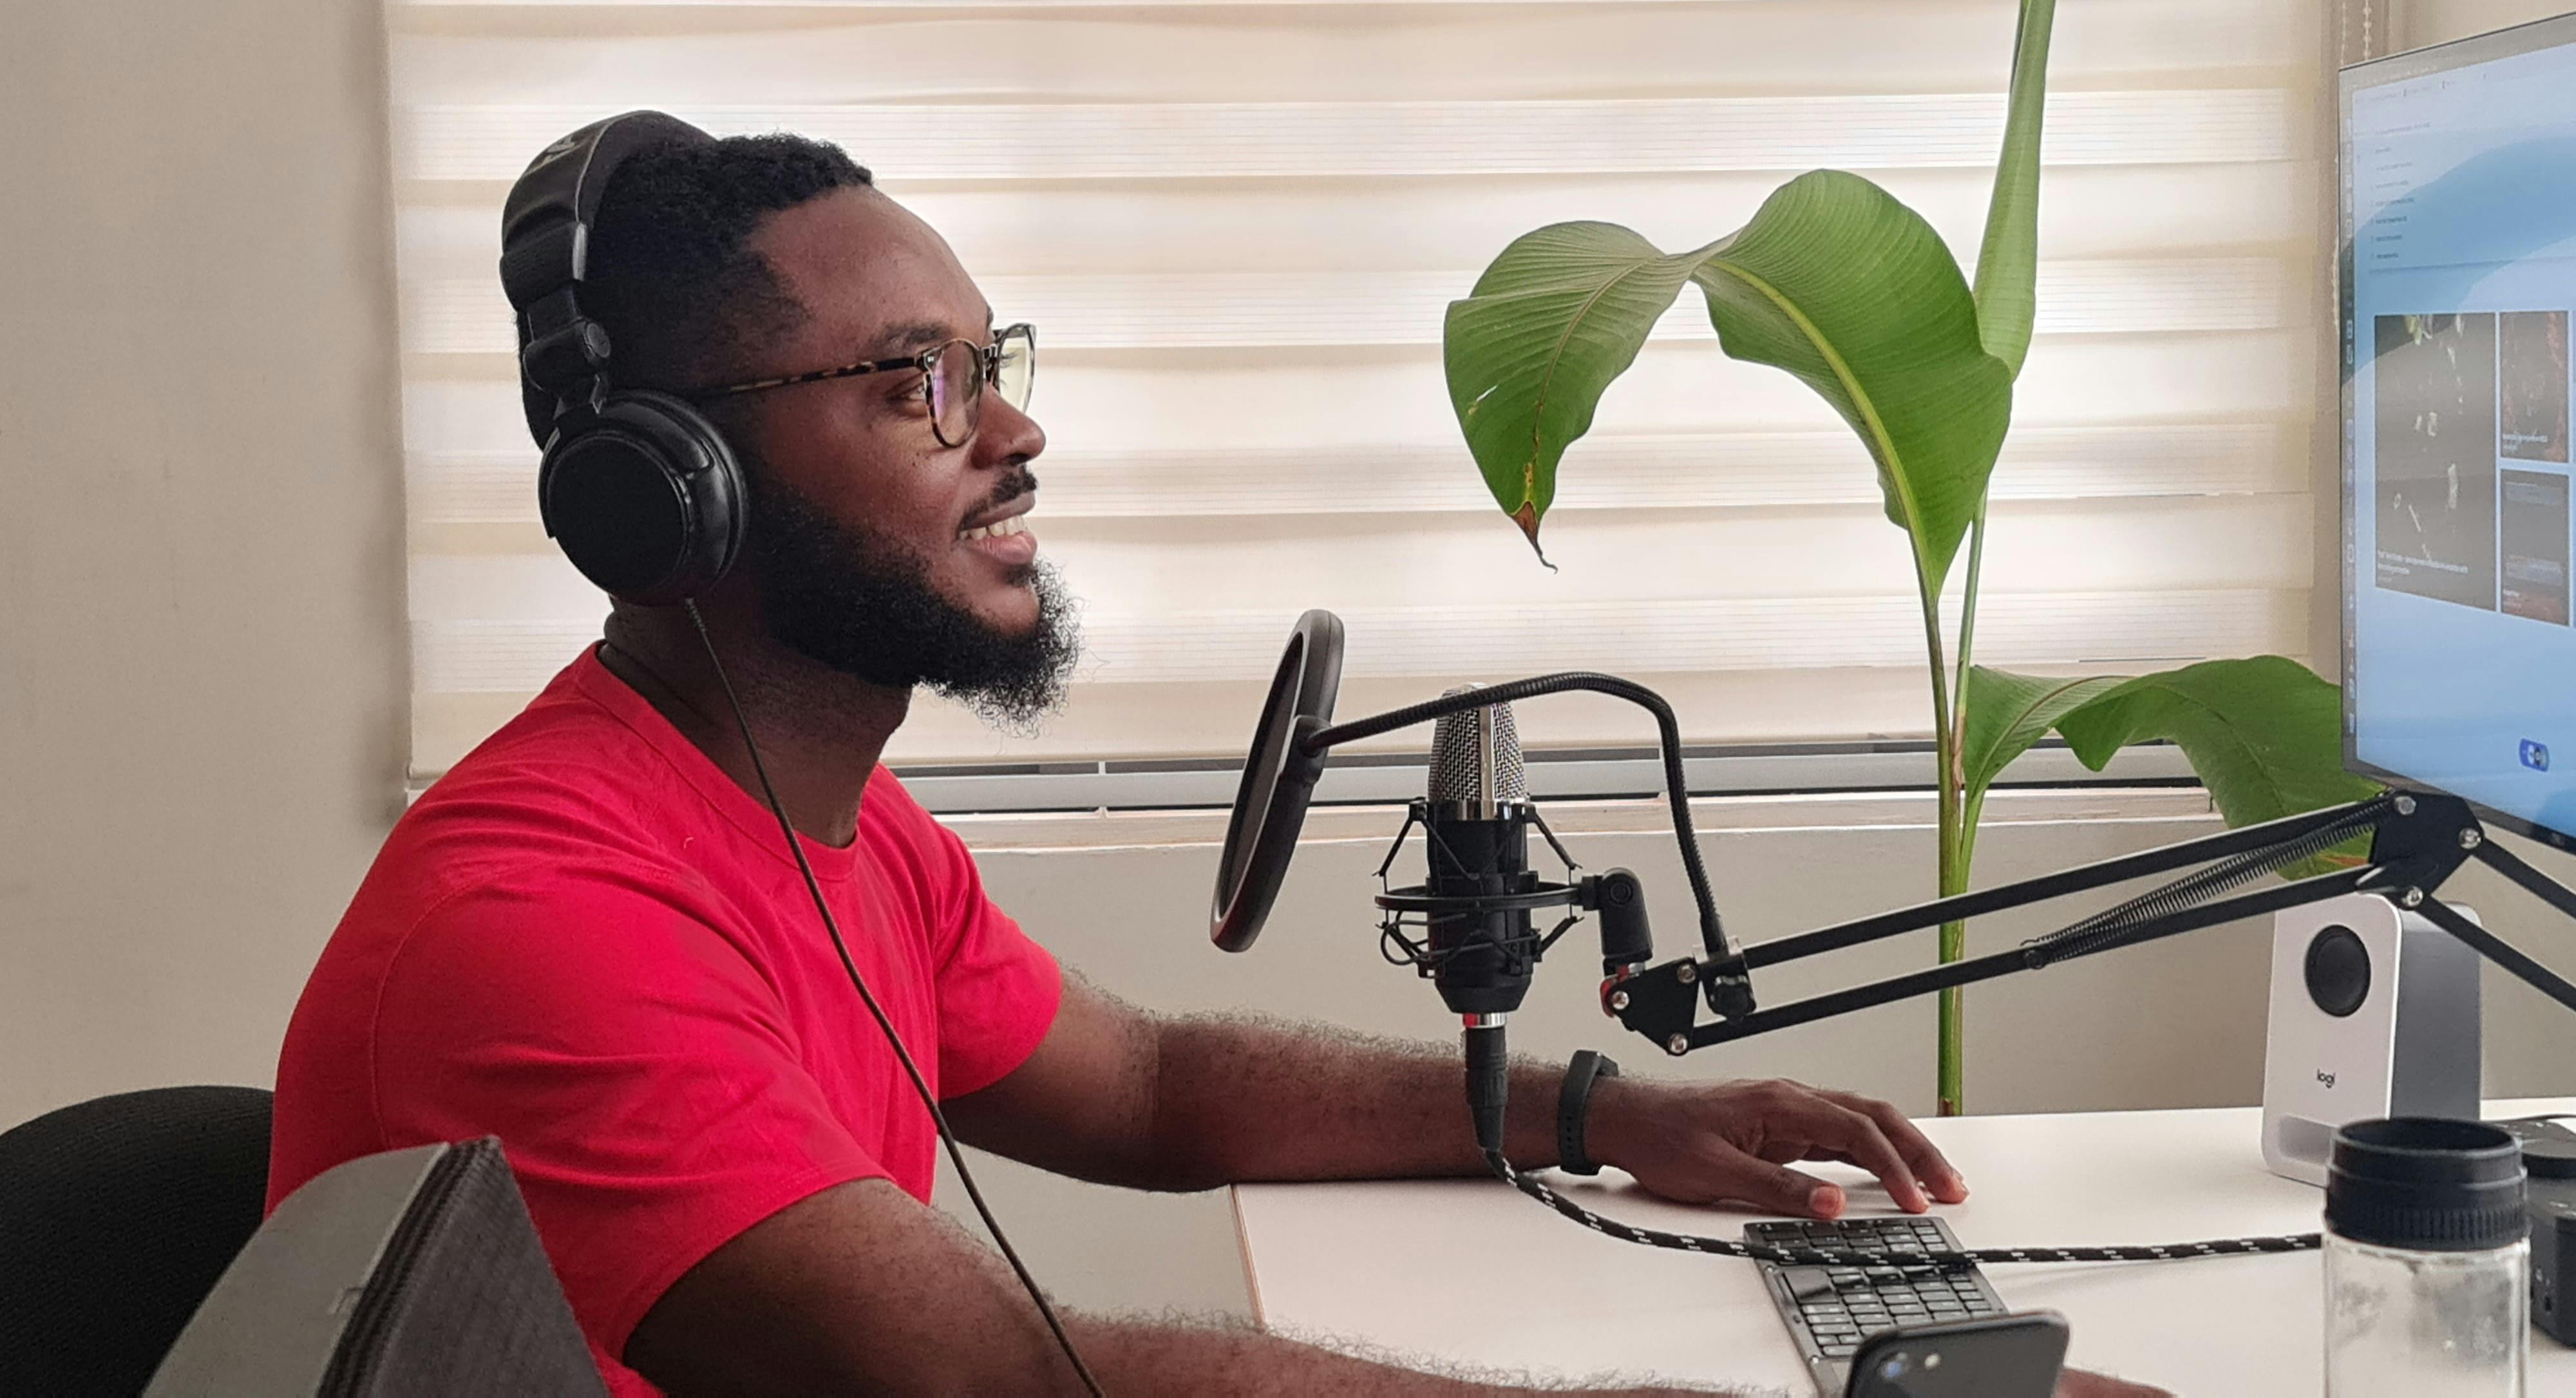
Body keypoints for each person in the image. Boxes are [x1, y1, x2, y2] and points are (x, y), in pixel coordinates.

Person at [269, 125, 2160, 1397]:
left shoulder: (841, 829)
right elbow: (1031, 1381)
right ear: (668, 488)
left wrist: (1611, 1112)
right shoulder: (542, 921)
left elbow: (1158, 1085)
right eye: (918, 379)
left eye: (991, 355)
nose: (1015, 429)